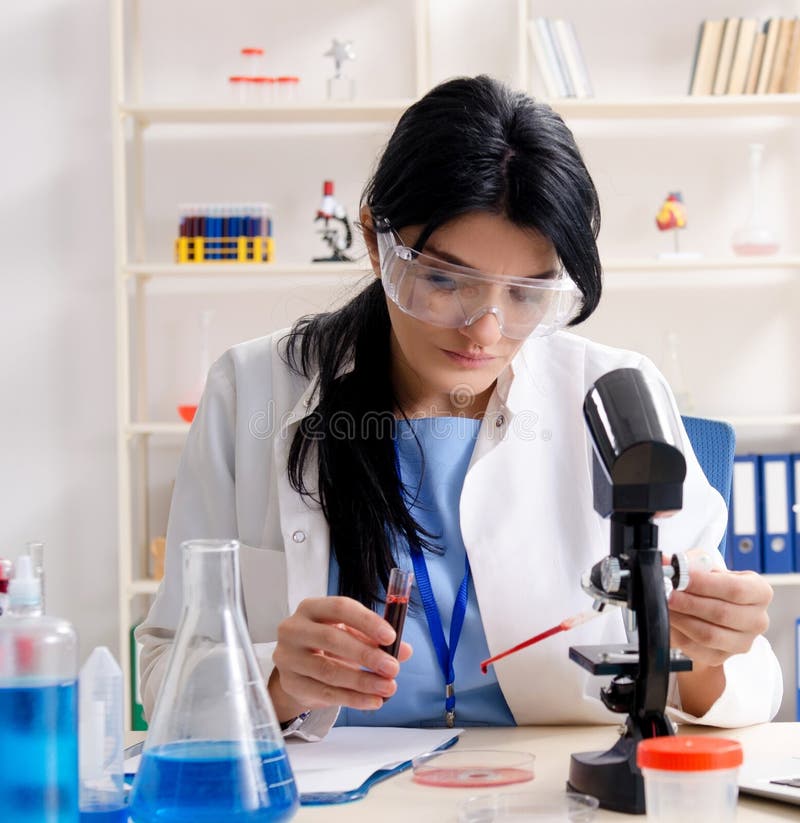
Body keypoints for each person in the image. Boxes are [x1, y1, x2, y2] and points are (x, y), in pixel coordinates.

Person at [138, 75, 782, 739]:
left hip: (548, 779)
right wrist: (275, 682)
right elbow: (164, 671)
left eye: (527, 293)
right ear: (375, 241)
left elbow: (751, 684)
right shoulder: (252, 388)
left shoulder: (618, 392)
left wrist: (710, 651)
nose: (485, 330)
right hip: (332, 783)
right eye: (445, 279)